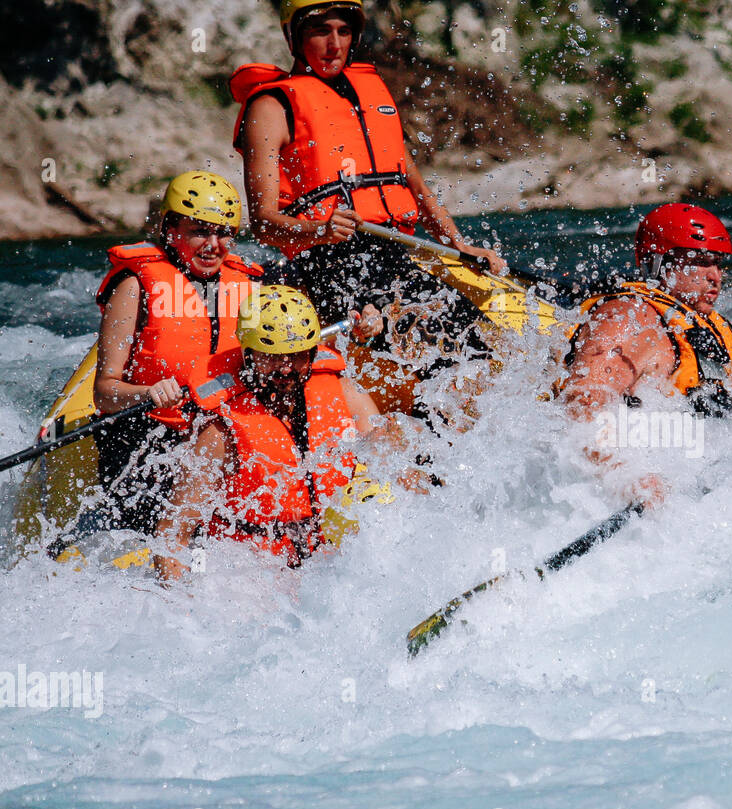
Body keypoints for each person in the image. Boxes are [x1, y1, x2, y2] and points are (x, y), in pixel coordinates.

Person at [230, 0, 506, 366]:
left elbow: (416, 190)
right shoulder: (270, 107)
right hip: (328, 266)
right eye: (320, 31)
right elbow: (264, 225)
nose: (335, 45)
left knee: (483, 350)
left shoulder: (370, 91)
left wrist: (458, 244)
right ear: (292, 36)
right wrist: (321, 230)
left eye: (344, 32)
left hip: (394, 258)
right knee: (447, 362)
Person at [558, 203, 732, 507]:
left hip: (704, 477)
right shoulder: (627, 318)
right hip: (619, 487)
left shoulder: (708, 326)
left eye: (719, 264)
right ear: (659, 263)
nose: (715, 277)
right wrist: (626, 478)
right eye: (701, 262)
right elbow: (581, 409)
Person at [153, 285, 388, 580]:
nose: (286, 368)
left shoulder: (342, 392)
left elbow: (387, 449)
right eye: (272, 356)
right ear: (248, 354)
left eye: (297, 355)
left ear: (313, 352)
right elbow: (173, 532)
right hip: (247, 570)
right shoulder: (220, 432)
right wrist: (185, 606)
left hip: (328, 559)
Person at [93, 171, 262, 533]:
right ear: (170, 229)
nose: (213, 244)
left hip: (221, 433)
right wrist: (147, 393)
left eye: (224, 232)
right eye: (199, 230)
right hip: (148, 433)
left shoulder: (247, 285)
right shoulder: (134, 286)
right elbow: (104, 392)